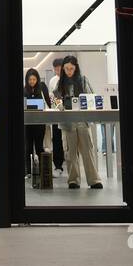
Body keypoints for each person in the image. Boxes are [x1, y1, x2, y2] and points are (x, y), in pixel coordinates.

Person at [56, 56, 103, 189]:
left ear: (76, 68)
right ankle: (73, 180)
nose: (69, 71)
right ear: (63, 68)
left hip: (82, 120)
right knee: (70, 152)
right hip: (67, 121)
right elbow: (55, 100)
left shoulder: (82, 80)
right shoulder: (59, 83)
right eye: (66, 69)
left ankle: (94, 179)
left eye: (71, 68)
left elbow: (91, 96)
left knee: (87, 150)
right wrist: (59, 104)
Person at [23, 68, 51, 173]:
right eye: (30, 80)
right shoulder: (24, 89)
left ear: (37, 79)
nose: (32, 82)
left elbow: (48, 102)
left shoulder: (42, 87)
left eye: (34, 79)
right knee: (28, 147)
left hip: (40, 122)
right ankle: (28, 170)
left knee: (39, 146)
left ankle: (42, 170)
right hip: (27, 123)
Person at [47, 58, 66, 173]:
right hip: (56, 112)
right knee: (57, 138)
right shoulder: (53, 80)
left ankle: (68, 160)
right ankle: (58, 164)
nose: (57, 71)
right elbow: (51, 96)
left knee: (67, 138)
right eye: (56, 69)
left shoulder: (68, 79)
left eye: (59, 68)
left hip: (67, 113)